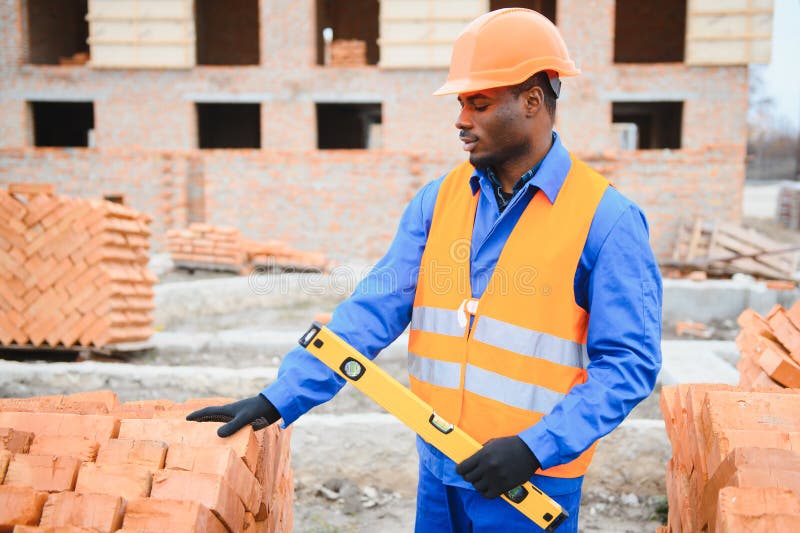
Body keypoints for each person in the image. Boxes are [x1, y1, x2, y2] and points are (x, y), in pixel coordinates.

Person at [188, 8, 662, 532]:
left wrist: (535, 447)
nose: (461, 120)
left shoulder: (608, 220)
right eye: (461, 103)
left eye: (478, 103)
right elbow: (374, 308)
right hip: (440, 471)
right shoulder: (438, 201)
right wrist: (280, 396)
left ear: (532, 100)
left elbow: (629, 364)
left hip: (531, 486)